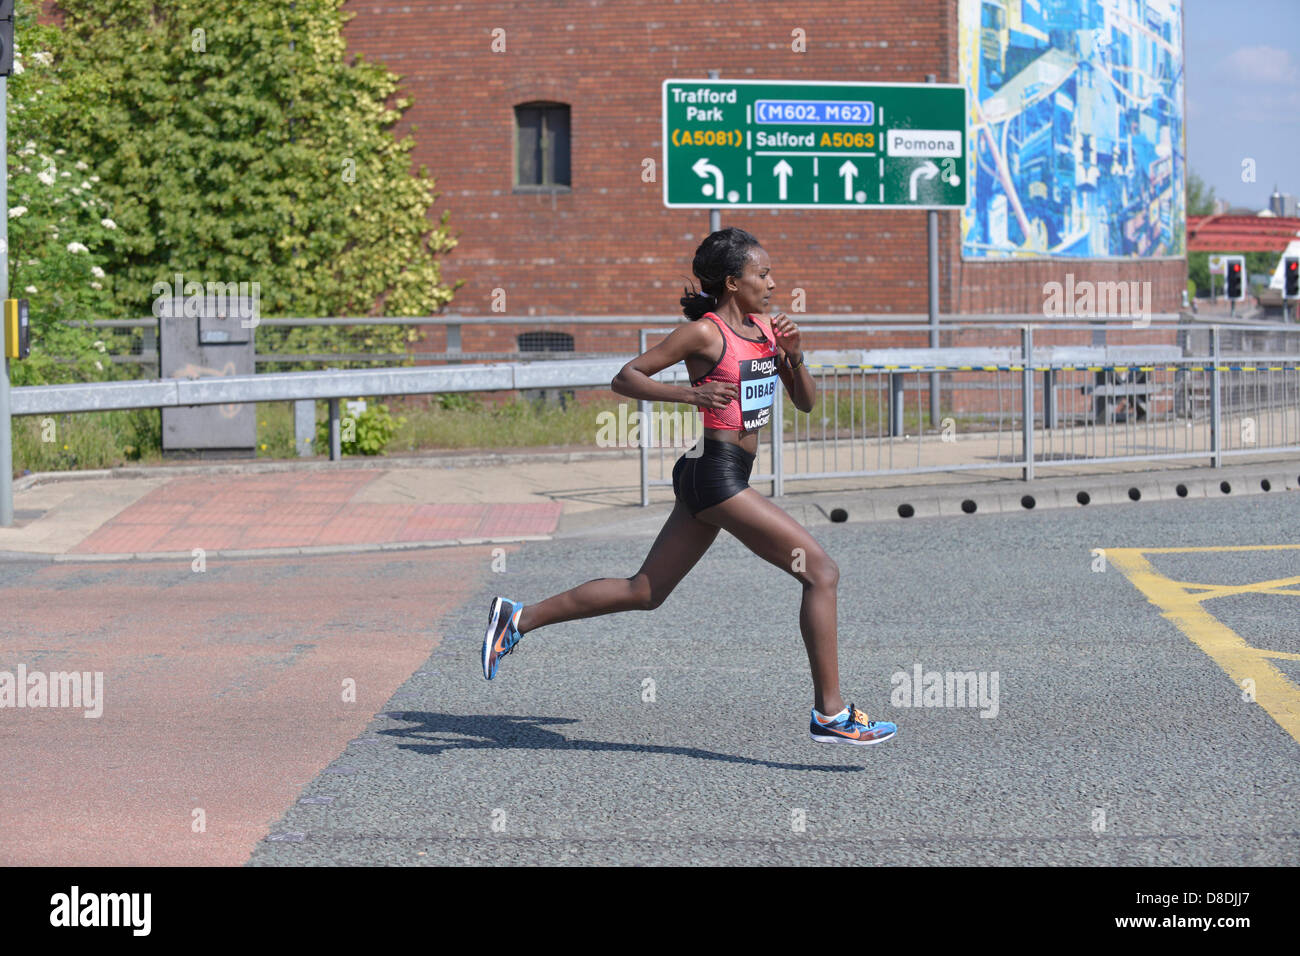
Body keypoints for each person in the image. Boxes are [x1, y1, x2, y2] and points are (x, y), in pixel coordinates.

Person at [482, 227, 896, 746]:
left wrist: (795, 354)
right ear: (732, 282)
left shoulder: (769, 328)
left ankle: (517, 618)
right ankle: (830, 713)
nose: (771, 283)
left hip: (723, 474)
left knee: (645, 591)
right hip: (714, 472)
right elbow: (626, 377)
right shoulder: (704, 334)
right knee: (821, 573)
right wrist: (690, 395)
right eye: (761, 274)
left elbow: (806, 402)